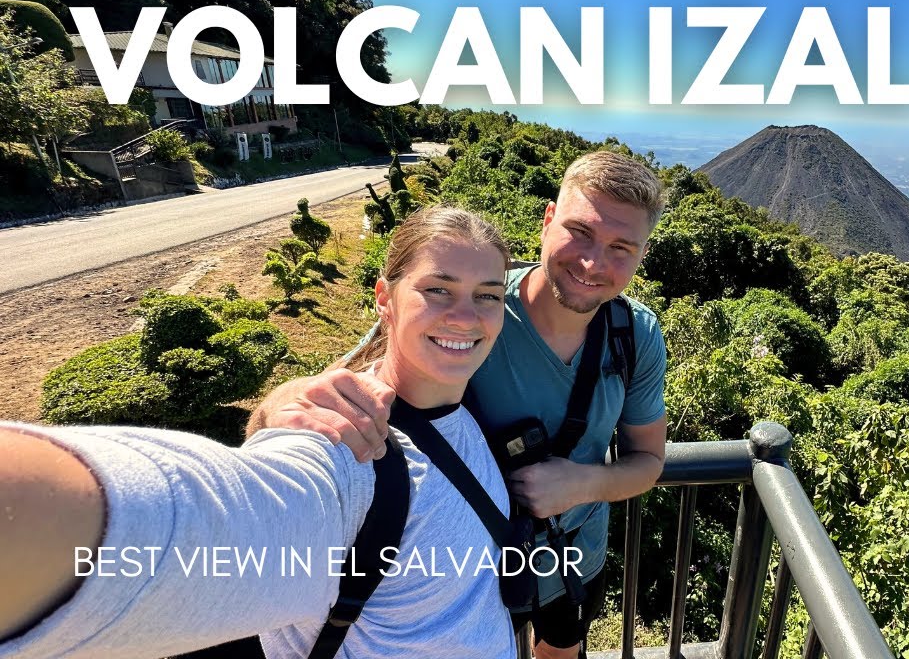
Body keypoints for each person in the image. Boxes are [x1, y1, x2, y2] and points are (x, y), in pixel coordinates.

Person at [0, 206, 520, 659]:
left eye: (488, 296)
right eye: (437, 289)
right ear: (384, 298)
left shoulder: (468, 403)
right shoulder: (344, 445)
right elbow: (206, 516)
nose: (465, 316)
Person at [248, 151, 670, 658]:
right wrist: (277, 405)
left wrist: (581, 484)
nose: (592, 262)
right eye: (580, 231)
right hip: (463, 562)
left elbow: (648, 461)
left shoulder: (634, 334)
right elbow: (352, 381)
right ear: (548, 219)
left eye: (621, 247)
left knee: (560, 648)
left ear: (642, 254)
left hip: (571, 550)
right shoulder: (474, 307)